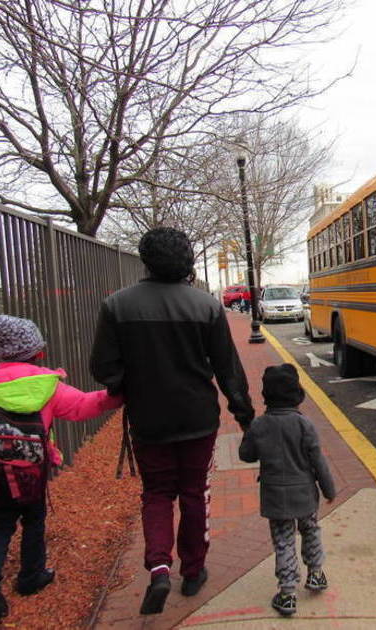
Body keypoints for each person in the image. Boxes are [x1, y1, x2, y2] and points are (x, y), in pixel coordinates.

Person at [90, 227, 255, 615]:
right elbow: (228, 369)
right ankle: (193, 570)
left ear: (145, 260)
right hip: (198, 417)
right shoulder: (206, 306)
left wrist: (127, 384)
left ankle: (159, 566)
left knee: (157, 493)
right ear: (188, 261)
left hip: (149, 419)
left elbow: (103, 368)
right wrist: (245, 417)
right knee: (195, 492)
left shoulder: (116, 306)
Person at [0, 314, 123, 621]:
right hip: (30, 470)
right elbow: (84, 406)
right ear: (36, 351)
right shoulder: (45, 386)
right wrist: (118, 395)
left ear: (0, 353)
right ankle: (31, 576)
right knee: (33, 518)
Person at [238, 364, 336, 617]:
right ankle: (315, 573)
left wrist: (249, 431)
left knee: (283, 540)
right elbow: (318, 461)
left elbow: (246, 455)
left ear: (266, 395)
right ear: (297, 393)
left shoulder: (260, 426)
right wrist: (329, 490)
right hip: (305, 494)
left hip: (275, 497)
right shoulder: (305, 425)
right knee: (310, 529)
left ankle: (287, 593)